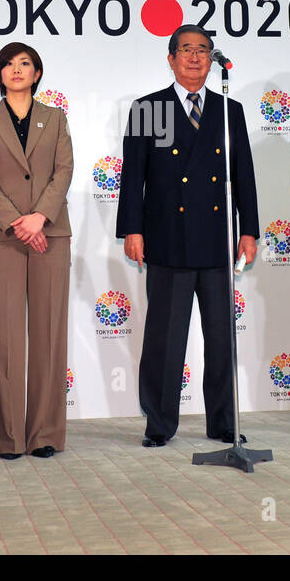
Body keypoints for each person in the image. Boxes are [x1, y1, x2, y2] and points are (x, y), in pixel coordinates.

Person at [117, 25, 259, 447]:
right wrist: (132, 229)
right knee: (165, 337)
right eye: (186, 50)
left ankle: (222, 421)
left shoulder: (228, 108)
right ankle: (159, 423)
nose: (195, 57)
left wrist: (248, 230)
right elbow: (133, 177)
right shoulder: (149, 108)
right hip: (167, 239)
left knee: (220, 338)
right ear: (171, 58)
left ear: (212, 59)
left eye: (203, 50)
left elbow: (244, 175)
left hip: (217, 241)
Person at [0, 43, 73, 459]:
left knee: (49, 336)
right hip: (5, 237)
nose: (17, 70)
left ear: (37, 73)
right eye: (9, 65)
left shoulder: (56, 117)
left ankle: (44, 435)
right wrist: (18, 221)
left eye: (25, 64)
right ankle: (10, 438)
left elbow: (64, 170)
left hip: (51, 235)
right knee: (7, 338)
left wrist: (40, 218)